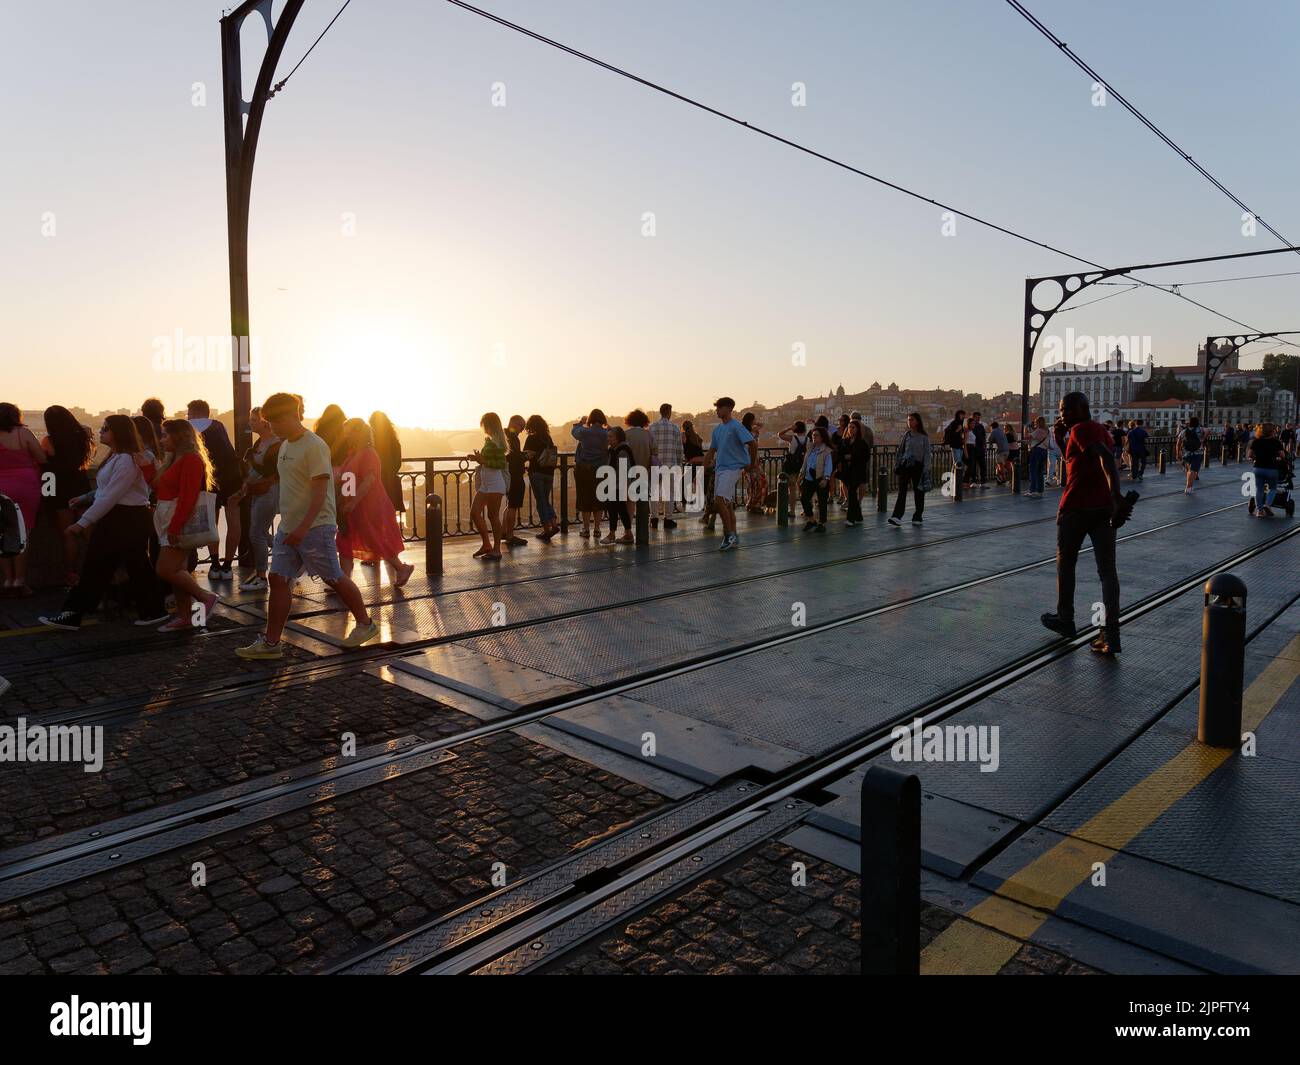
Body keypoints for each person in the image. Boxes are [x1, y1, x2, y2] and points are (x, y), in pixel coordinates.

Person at [235, 393, 378, 658]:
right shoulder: (286, 446)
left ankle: (366, 624)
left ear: (293, 415)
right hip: (289, 527)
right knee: (278, 579)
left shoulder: (314, 445)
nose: (273, 426)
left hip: (314, 527)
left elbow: (320, 491)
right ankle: (271, 644)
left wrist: (303, 528)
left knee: (333, 577)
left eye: (276, 421)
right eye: (269, 421)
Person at [38, 415, 168, 629]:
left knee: (99, 566)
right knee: (131, 566)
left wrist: (82, 522)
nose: (101, 431)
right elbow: (107, 490)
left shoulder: (127, 460)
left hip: (125, 517)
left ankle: (73, 614)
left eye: (106, 428)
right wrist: (84, 498)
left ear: (118, 432)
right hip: (125, 517)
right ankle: (153, 610)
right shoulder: (118, 457)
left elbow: (112, 495)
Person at [1040, 392, 1125, 656]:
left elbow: (1104, 458)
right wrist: (1058, 439)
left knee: (1066, 564)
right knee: (1108, 572)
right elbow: (1082, 462)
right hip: (1102, 510)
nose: (1061, 413)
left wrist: (1117, 495)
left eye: (1065, 408)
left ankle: (1066, 619)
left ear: (1080, 408)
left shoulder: (1081, 429)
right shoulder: (1099, 430)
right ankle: (1111, 635)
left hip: (1076, 509)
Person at [152, 420, 222, 632]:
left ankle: (206, 597)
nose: (162, 440)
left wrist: (175, 527)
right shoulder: (174, 459)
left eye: (165, 435)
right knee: (177, 570)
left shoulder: (191, 460)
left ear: (179, 436)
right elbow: (159, 486)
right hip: (167, 517)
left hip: (176, 518)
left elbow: (188, 497)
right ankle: (185, 616)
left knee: (165, 569)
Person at [333, 418, 415, 586]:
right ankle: (344, 582)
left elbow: (369, 481)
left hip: (368, 506)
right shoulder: (353, 453)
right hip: (352, 507)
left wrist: (353, 502)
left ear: (357, 433)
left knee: (375, 540)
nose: (346, 437)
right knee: (344, 542)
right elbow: (346, 478)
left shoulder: (368, 454)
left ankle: (401, 568)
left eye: (349, 433)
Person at [40, 405, 94, 588]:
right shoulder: (82, 436)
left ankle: (71, 574)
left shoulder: (49, 441)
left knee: (69, 533)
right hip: (81, 484)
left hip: (60, 487)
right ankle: (97, 570)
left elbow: (42, 460)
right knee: (88, 531)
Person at [187, 400, 242, 580]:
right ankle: (228, 566)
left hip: (209, 480)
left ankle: (215, 563)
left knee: (212, 522)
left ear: (192, 412)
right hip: (233, 478)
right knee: (233, 521)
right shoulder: (219, 426)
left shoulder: (189, 427)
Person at [230, 405, 281, 591]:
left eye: (254, 420)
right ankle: (292, 553)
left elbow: (271, 471)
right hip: (256, 491)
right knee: (259, 532)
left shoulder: (276, 444)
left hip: (269, 491)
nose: (250, 423)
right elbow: (252, 472)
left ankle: (261, 576)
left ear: (265, 422)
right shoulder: (259, 443)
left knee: (256, 533)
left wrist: (251, 460)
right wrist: (243, 490)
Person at [0, 403, 47, 596]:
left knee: (2, 533)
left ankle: (8, 581)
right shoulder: (24, 434)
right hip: (26, 486)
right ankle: (20, 580)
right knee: (23, 532)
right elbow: (42, 458)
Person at [707, 398, 757, 551]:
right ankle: (733, 534)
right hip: (720, 469)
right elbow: (712, 450)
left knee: (719, 500)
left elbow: (752, 443)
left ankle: (729, 534)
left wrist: (751, 464)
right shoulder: (717, 429)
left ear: (728, 409)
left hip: (733, 468)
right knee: (727, 504)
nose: (717, 410)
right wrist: (704, 466)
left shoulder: (736, 426)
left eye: (719, 407)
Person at [469, 412, 509, 561]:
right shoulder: (490, 441)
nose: (483, 427)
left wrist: (483, 460)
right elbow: (487, 460)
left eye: (484, 424)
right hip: (486, 484)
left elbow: (500, 464)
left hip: (494, 484)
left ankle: (496, 549)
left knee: (493, 516)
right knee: (474, 512)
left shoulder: (497, 443)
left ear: (490, 425)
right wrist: (478, 458)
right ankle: (486, 544)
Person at [571, 409, 609, 539]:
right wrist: (608, 426)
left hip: (583, 469)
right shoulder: (606, 433)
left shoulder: (584, 431)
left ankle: (586, 529)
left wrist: (581, 422)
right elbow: (617, 432)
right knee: (599, 499)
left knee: (584, 499)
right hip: (600, 469)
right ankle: (597, 529)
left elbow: (574, 431)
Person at [888, 413, 930, 525]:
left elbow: (927, 454)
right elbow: (900, 451)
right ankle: (897, 516)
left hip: (918, 466)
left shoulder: (924, 437)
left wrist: (926, 469)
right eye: (908, 420)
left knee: (918, 491)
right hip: (906, 465)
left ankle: (917, 516)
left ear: (917, 422)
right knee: (902, 491)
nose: (909, 422)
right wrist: (897, 464)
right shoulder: (907, 435)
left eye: (911, 420)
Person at [522, 414, 559, 542]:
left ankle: (547, 530)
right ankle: (554, 524)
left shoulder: (531, 438)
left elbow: (526, 455)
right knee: (545, 499)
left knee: (541, 501)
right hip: (549, 472)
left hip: (536, 472)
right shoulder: (547, 438)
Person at [649, 403, 684, 528]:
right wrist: (679, 464)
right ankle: (668, 518)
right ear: (669, 412)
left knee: (654, 492)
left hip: (655, 465)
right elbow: (679, 449)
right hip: (670, 465)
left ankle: (654, 518)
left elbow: (649, 447)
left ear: (660, 412)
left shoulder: (652, 428)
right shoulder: (675, 428)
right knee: (669, 492)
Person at [601, 426, 635, 545]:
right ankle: (626, 534)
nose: (608, 439)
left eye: (611, 437)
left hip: (618, 485)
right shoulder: (617, 449)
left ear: (618, 438)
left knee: (616, 509)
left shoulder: (621, 451)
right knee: (618, 509)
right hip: (616, 484)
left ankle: (614, 534)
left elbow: (623, 471)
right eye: (608, 436)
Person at [369, 410, 406, 516]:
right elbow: (397, 464)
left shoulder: (372, 444)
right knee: (390, 518)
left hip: (376, 485)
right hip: (391, 485)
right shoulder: (394, 442)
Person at [799, 426, 835, 532]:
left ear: (822, 437)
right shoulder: (810, 449)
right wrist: (801, 473)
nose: (814, 437)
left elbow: (829, 465)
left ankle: (821, 523)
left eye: (816, 435)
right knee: (804, 498)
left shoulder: (826, 451)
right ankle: (811, 520)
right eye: (813, 435)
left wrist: (826, 478)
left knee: (822, 501)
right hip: (808, 477)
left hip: (820, 478)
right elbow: (806, 462)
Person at [502, 414, 529, 549]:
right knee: (513, 505)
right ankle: (510, 535)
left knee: (509, 503)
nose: (522, 430)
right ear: (515, 424)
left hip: (507, 474)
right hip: (515, 475)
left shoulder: (503, 435)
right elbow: (513, 458)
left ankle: (504, 531)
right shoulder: (513, 438)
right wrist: (524, 456)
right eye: (521, 427)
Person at [1247, 423, 1285, 517]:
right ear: (1272, 431)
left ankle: (1259, 511)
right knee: (1272, 488)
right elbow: (1282, 455)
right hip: (1271, 469)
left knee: (1259, 489)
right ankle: (1267, 505)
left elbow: (1250, 455)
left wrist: (1254, 457)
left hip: (1258, 468)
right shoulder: (1276, 442)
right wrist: (1279, 458)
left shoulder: (1256, 441)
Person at [837, 420, 870, 526]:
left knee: (851, 492)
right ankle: (859, 516)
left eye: (853, 428)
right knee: (852, 495)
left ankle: (850, 519)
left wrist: (852, 457)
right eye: (850, 427)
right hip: (846, 471)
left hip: (857, 471)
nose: (851, 430)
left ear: (858, 429)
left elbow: (865, 457)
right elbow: (839, 454)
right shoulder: (844, 441)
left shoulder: (862, 443)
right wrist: (843, 459)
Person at [682, 420, 709, 525]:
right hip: (702, 462)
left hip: (694, 463)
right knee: (703, 486)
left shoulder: (684, 436)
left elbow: (684, 449)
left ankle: (686, 505)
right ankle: (706, 508)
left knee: (682, 483)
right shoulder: (697, 437)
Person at [1176, 416, 1204, 494]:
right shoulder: (1200, 430)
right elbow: (1208, 431)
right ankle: (1188, 488)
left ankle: (1190, 487)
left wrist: (1178, 453)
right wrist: (1204, 438)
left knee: (1189, 471)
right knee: (1192, 471)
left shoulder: (1184, 431)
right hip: (1197, 452)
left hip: (1186, 453)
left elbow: (1178, 443)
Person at [1025, 416, 1049, 497]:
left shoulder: (1038, 431)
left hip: (1036, 451)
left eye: (1036, 422)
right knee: (1040, 472)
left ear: (1038, 423)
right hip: (1044, 451)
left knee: (1033, 470)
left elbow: (1027, 437)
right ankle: (1040, 491)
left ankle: (1033, 490)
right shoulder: (1047, 431)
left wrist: (1025, 428)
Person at [942, 410, 966, 482]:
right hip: (955, 445)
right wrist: (958, 430)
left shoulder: (960, 423)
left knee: (958, 463)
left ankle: (953, 478)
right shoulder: (954, 423)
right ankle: (955, 479)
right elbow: (952, 434)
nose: (963, 416)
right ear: (958, 415)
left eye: (963, 415)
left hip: (960, 445)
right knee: (957, 462)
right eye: (962, 414)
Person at [970, 412, 988, 488]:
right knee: (973, 466)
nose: (978, 419)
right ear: (973, 417)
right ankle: (973, 481)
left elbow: (984, 437)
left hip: (980, 448)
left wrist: (985, 447)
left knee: (983, 465)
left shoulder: (981, 426)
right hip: (973, 449)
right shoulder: (970, 426)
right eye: (977, 417)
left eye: (979, 417)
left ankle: (983, 482)